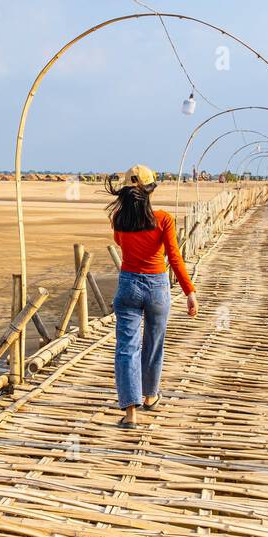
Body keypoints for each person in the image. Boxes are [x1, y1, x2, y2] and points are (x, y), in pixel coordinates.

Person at [108, 164, 197, 428]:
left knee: (127, 347)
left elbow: (120, 243)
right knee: (154, 343)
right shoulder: (163, 218)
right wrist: (189, 291)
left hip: (128, 285)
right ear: (150, 189)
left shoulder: (119, 219)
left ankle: (130, 412)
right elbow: (174, 257)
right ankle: (150, 396)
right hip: (157, 286)